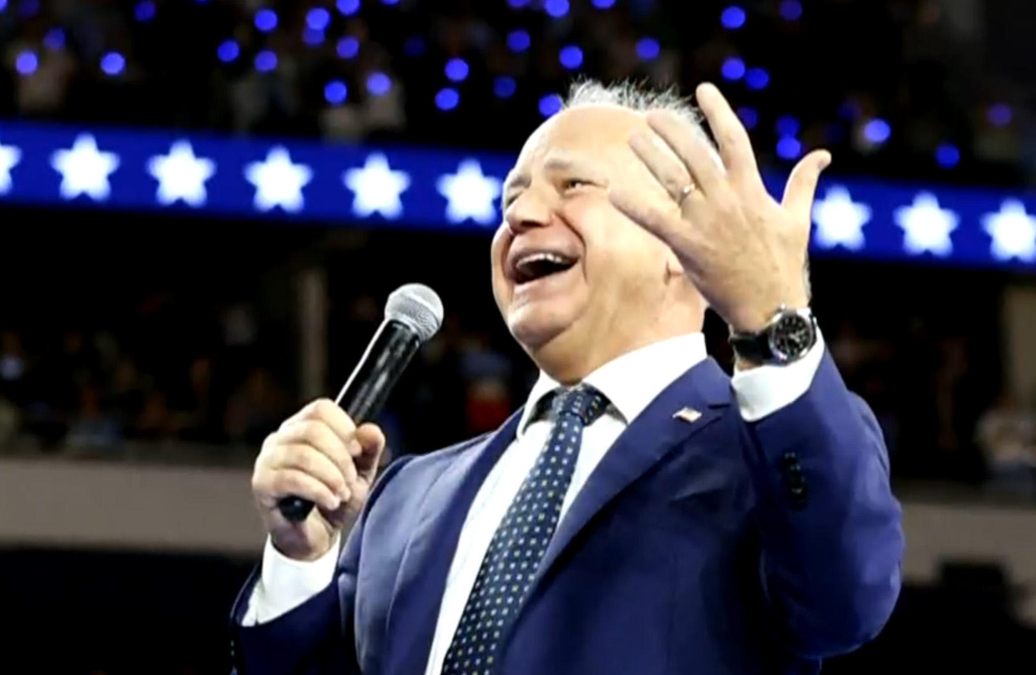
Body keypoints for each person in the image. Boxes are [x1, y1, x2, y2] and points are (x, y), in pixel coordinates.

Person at [230, 80, 904, 675]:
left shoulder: (772, 451)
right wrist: (301, 562)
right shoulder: (404, 499)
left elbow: (845, 602)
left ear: (682, 241)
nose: (519, 215)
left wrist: (773, 324)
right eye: (512, 197)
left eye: (571, 185)